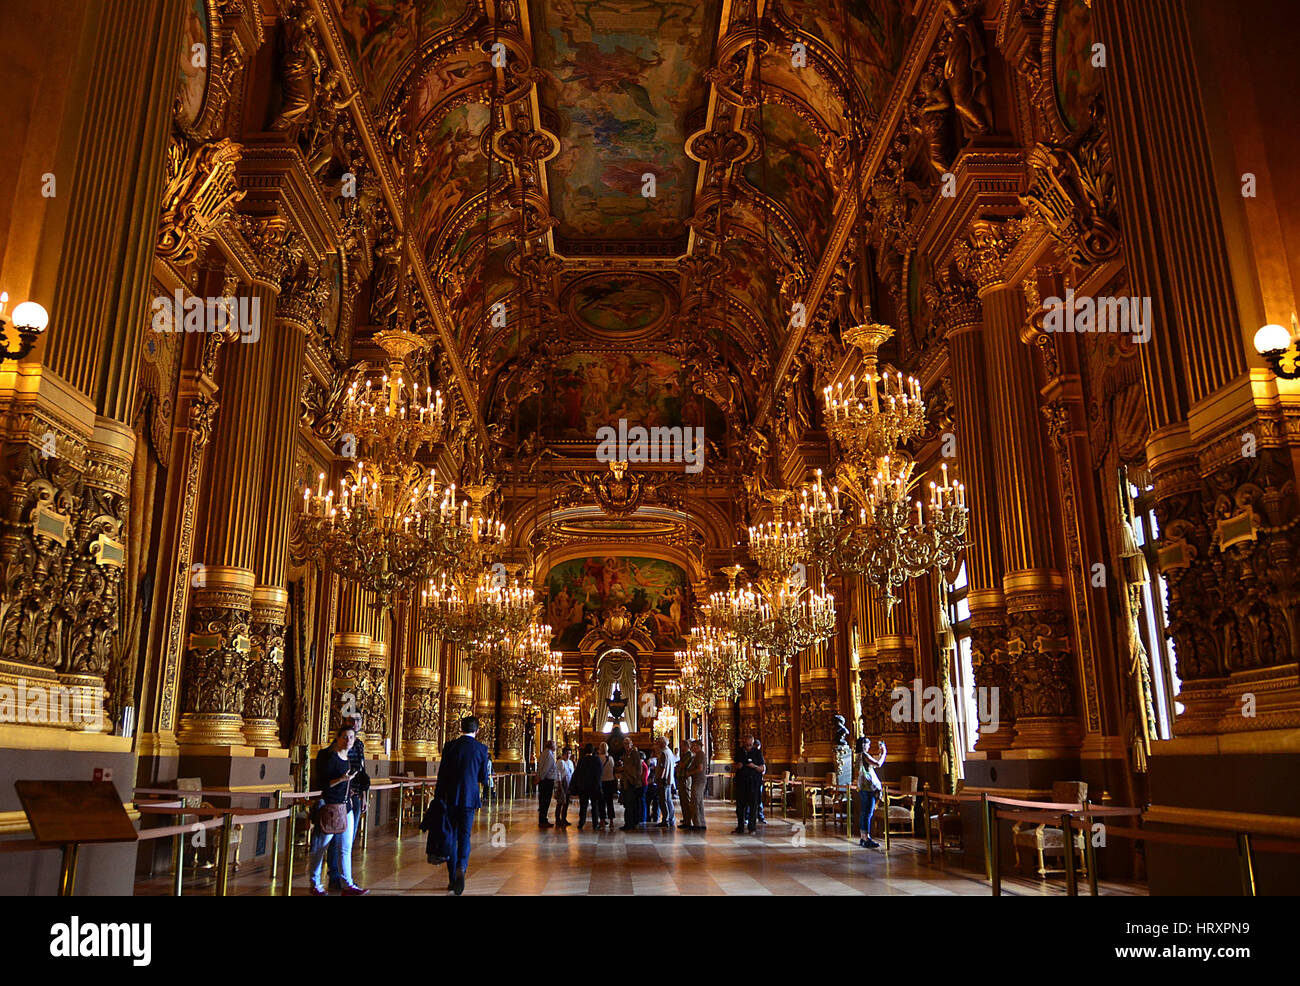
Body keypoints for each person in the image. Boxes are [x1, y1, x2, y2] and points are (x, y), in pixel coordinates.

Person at [433, 715, 494, 894]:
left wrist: (438, 798)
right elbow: (483, 777)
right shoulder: (481, 749)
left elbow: (442, 775)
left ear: (461, 728)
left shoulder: (450, 746)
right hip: (469, 798)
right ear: (477, 730)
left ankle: (452, 878)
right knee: (465, 836)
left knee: (450, 836)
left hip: (450, 797)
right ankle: (462, 866)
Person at [308, 726, 368, 895]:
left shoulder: (348, 756)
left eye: (351, 737)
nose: (348, 740)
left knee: (345, 847)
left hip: (345, 807)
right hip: (329, 806)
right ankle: (315, 884)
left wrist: (349, 790)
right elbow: (322, 784)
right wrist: (341, 779)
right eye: (345, 737)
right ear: (338, 737)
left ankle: (347, 884)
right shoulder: (327, 757)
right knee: (320, 847)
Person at [327, 713, 370, 890]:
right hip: (339, 796)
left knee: (348, 839)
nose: (356, 723)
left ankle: (346, 879)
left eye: (359, 720)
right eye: (352, 720)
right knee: (335, 837)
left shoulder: (359, 744)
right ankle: (334, 876)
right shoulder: (336, 746)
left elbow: (362, 770)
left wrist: (365, 795)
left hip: (355, 795)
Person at [732, 732, 765, 834]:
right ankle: (740, 827)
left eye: (750, 745)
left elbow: (762, 768)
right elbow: (733, 766)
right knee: (740, 807)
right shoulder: (739, 752)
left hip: (754, 784)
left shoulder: (757, 753)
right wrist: (738, 766)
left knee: (753, 806)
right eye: (746, 745)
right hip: (741, 783)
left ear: (753, 743)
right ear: (743, 743)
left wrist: (754, 766)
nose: (748, 747)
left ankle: (752, 828)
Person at [857, 737, 886, 849]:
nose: (869, 747)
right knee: (867, 813)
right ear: (863, 745)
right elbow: (878, 764)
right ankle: (866, 838)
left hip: (862, 787)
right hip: (868, 788)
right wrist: (884, 753)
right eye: (868, 744)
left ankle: (863, 836)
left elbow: (870, 764)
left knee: (864, 813)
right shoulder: (864, 755)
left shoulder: (859, 756)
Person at [574, 743, 604, 830]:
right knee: (594, 806)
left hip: (583, 787)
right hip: (594, 787)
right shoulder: (596, 760)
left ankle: (581, 823)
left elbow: (578, 773)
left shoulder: (582, 760)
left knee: (583, 806)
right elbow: (599, 773)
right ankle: (595, 824)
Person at [620, 742, 646, 830]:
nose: (626, 746)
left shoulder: (635, 754)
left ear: (631, 744)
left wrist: (636, 780)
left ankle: (630, 823)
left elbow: (639, 769)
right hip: (627, 781)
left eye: (628, 744)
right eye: (625, 744)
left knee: (630, 803)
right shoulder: (625, 754)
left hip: (632, 781)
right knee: (628, 803)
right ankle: (629, 822)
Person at [686, 738, 708, 830]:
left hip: (699, 780)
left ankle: (698, 824)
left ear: (697, 746)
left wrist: (689, 773)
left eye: (692, 746)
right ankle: (699, 823)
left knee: (696, 801)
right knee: (698, 801)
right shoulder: (698, 755)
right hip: (697, 780)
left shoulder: (700, 755)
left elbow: (700, 768)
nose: (691, 747)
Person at [654, 736, 676, 828]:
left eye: (659, 742)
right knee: (668, 800)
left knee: (663, 801)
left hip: (663, 780)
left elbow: (663, 767)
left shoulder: (663, 753)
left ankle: (665, 820)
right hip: (669, 779)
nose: (658, 744)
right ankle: (671, 819)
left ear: (663, 743)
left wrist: (659, 778)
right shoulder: (670, 752)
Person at [536, 739, 557, 828]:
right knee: (545, 801)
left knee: (543, 801)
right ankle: (543, 820)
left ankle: (543, 819)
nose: (556, 746)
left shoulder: (544, 753)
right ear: (552, 746)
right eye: (555, 745)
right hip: (547, 781)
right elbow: (546, 769)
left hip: (544, 780)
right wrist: (542, 778)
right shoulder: (549, 754)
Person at [598, 741, 617, 828]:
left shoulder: (598, 758)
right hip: (610, 781)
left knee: (601, 802)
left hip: (601, 782)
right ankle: (612, 821)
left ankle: (602, 820)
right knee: (610, 802)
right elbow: (613, 769)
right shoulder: (611, 758)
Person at [555, 747, 574, 827]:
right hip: (562, 784)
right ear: (563, 754)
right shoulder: (560, 762)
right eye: (567, 753)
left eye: (569, 753)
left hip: (568, 784)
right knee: (560, 802)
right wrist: (559, 784)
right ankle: (558, 819)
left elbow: (572, 773)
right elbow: (558, 773)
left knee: (566, 803)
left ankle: (564, 818)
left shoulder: (570, 762)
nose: (568, 755)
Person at [644, 746, 659, 825]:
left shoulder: (650, 761)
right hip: (657, 782)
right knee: (656, 802)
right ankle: (656, 817)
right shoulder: (659, 760)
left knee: (647, 801)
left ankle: (647, 817)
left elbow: (648, 772)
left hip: (650, 782)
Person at [753, 738, 767, 825]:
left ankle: (760, 816)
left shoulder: (759, 755)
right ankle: (749, 817)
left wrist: (756, 768)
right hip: (751, 780)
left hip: (758, 781)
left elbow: (763, 768)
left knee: (759, 800)